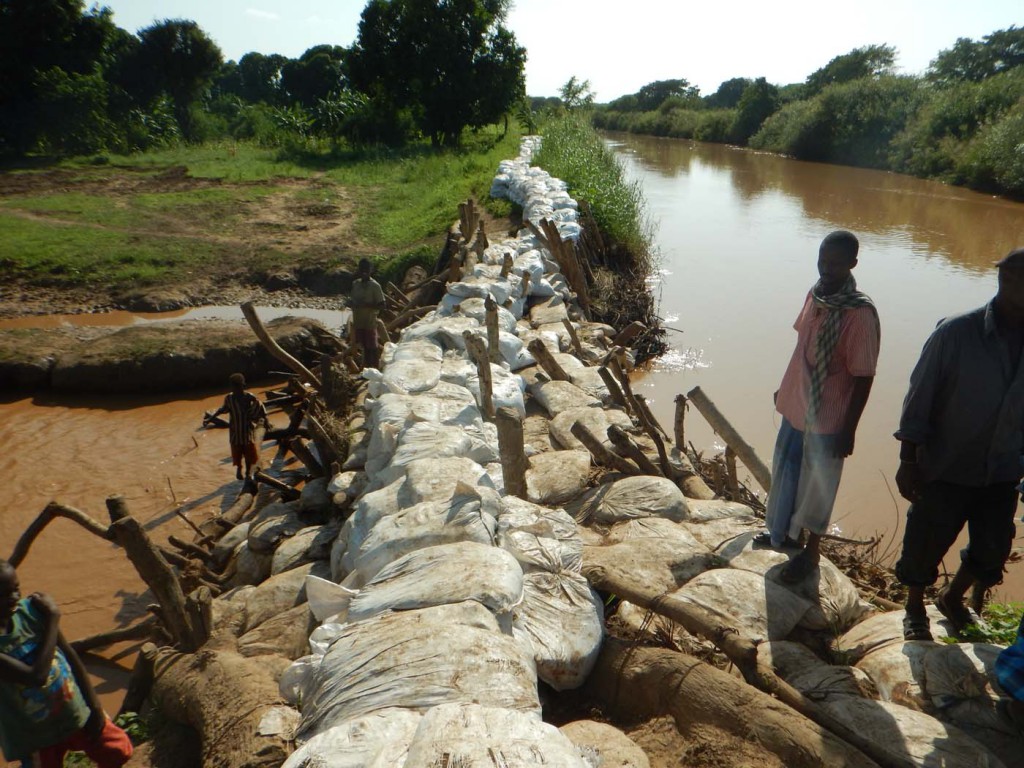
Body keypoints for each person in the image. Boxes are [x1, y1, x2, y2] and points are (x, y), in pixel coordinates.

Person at [894, 247, 1024, 641]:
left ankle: (952, 599)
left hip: (1002, 469)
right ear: (1002, 280)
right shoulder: (955, 332)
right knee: (926, 541)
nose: (1017, 287)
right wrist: (908, 460)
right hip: (948, 463)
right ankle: (914, 605)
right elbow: (920, 398)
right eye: (1013, 278)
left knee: (992, 548)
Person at [759, 230, 880, 584]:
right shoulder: (815, 295)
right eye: (822, 261)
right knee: (786, 470)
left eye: (835, 264)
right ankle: (781, 533)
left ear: (852, 264)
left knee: (819, 485)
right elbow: (801, 345)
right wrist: (785, 387)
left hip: (829, 417)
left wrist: (849, 429)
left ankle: (811, 553)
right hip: (797, 405)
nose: (826, 269)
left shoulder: (860, 314)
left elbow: (864, 375)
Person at [0, 559, 133, 768]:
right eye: (4, 595)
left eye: (16, 589)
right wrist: (53, 619)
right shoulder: (45, 614)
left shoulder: (32, 612)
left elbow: (70, 656)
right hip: (34, 735)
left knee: (116, 749)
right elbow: (36, 677)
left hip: (73, 711)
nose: (14, 598)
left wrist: (95, 707)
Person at [206, 372, 270, 481]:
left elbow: (260, 407)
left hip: (247, 432)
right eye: (233, 387)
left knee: (249, 454)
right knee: (237, 454)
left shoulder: (249, 397)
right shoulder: (229, 399)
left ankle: (248, 473)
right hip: (235, 432)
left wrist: (266, 421)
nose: (235, 389)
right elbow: (222, 410)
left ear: (243, 386)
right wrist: (210, 419)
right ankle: (239, 468)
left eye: (238, 386)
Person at [349, 257, 385, 370]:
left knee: (372, 347)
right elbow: (353, 300)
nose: (364, 271)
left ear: (371, 270)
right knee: (364, 346)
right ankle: (366, 370)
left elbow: (382, 305)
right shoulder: (356, 284)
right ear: (358, 270)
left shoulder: (375, 286)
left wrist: (367, 305)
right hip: (359, 321)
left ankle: (373, 369)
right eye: (362, 269)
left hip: (370, 321)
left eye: (366, 269)